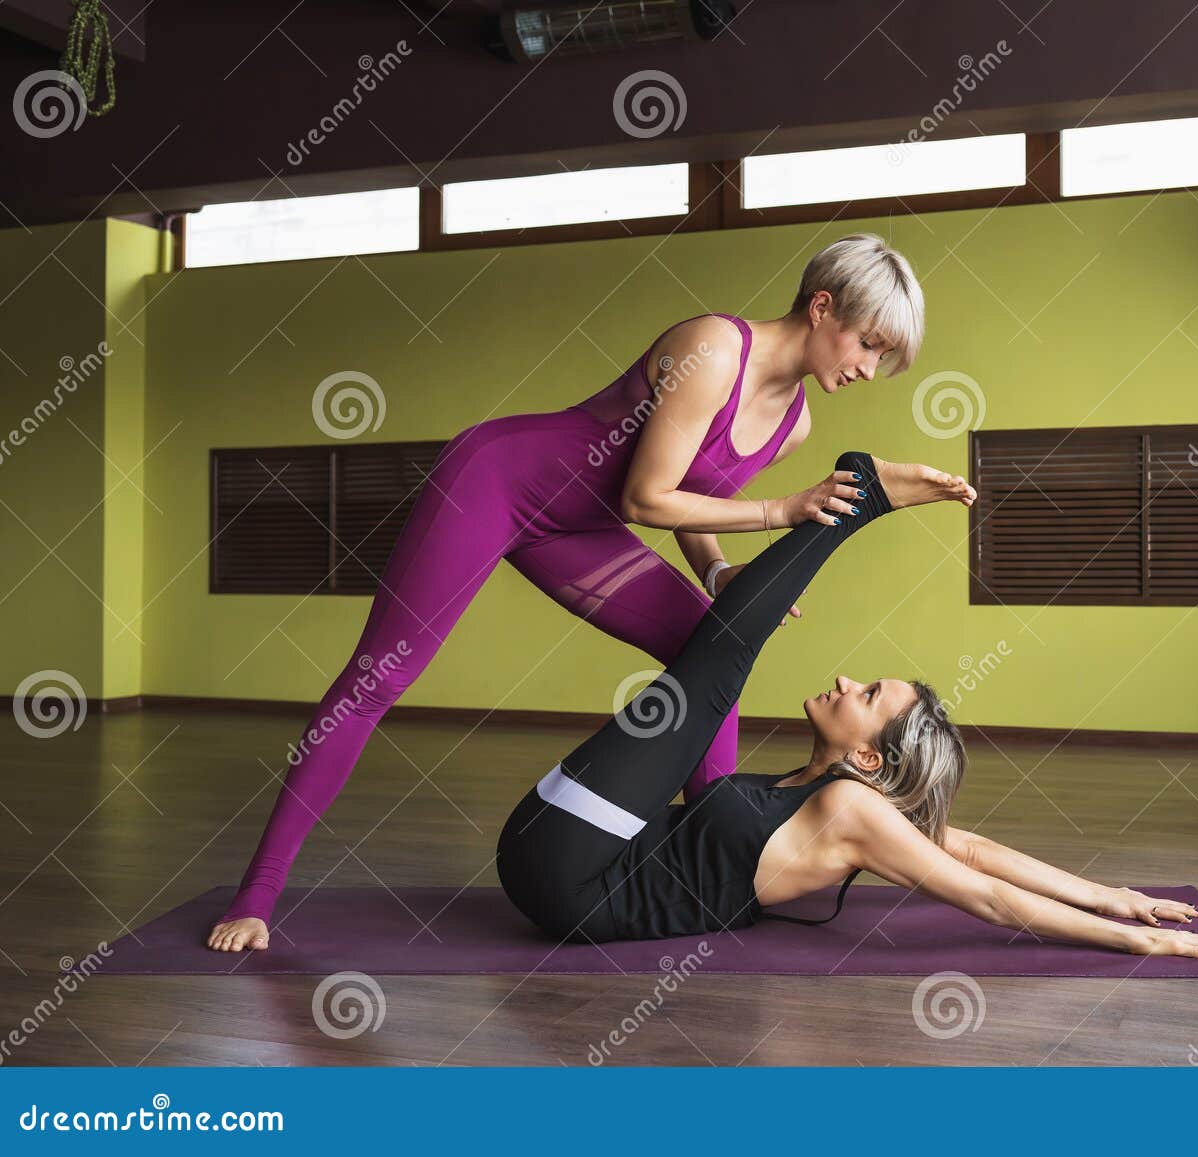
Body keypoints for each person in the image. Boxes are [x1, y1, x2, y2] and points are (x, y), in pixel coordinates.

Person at [208, 234, 927, 952]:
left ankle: (718, 844)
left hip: (575, 528)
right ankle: (257, 895)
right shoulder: (713, 351)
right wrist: (781, 510)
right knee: (381, 676)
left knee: (712, 641)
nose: (868, 368)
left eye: (883, 358)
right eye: (867, 344)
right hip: (494, 482)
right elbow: (648, 498)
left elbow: (691, 497)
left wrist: (716, 574)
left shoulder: (794, 423)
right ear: (822, 306)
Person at [493, 451, 1198, 959]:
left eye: (868, 695)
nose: (846, 680)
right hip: (569, 846)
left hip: (570, 880)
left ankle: (856, 496)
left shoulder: (852, 812)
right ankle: (855, 495)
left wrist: (1137, 941)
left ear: (869, 755)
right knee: (710, 666)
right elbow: (970, 847)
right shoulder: (824, 792)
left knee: (714, 667)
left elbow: (986, 897)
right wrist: (1112, 896)